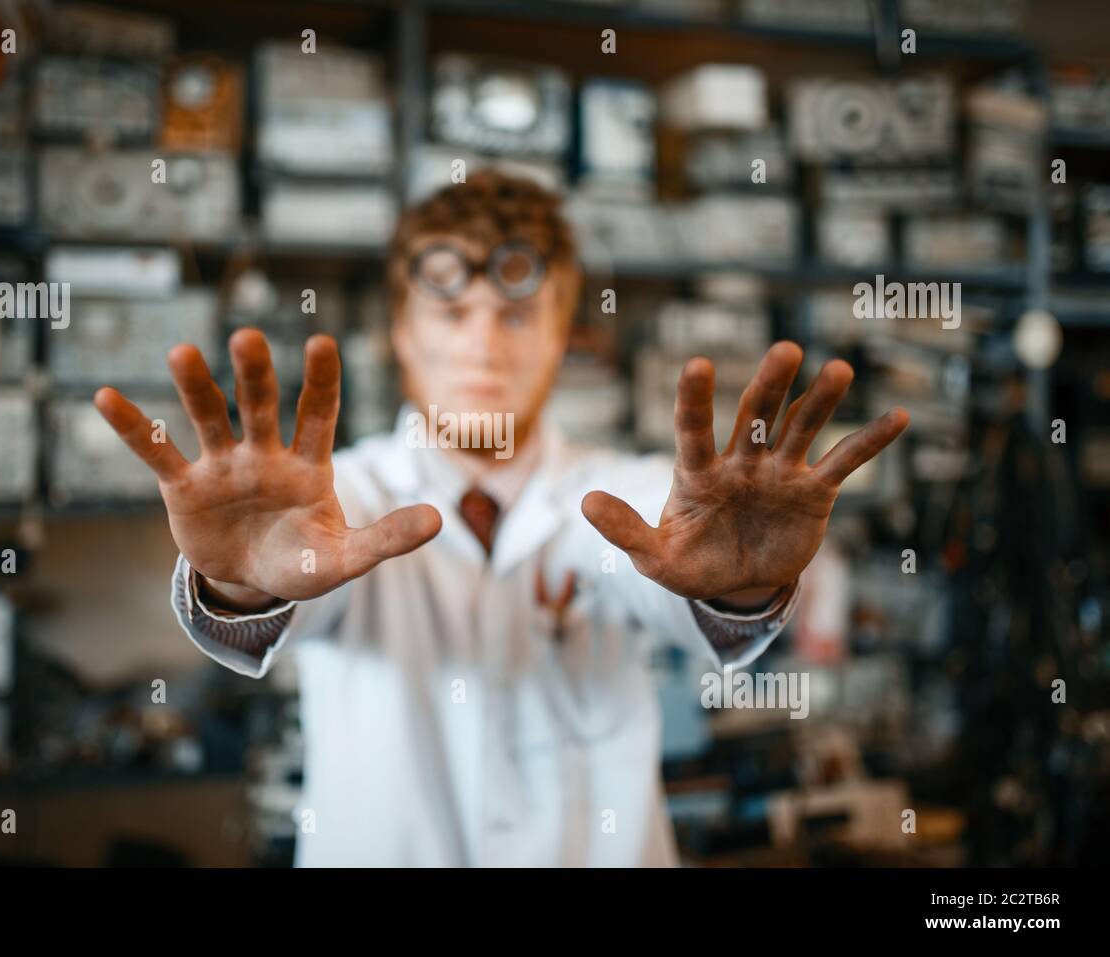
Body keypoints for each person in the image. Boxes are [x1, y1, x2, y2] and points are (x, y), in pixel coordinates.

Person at [94, 172, 909, 866]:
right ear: (403, 338)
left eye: (517, 315)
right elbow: (299, 596)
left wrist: (742, 586)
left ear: (563, 336)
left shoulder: (626, 494)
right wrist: (238, 586)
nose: (485, 344)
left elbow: (668, 577)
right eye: (452, 315)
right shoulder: (341, 500)